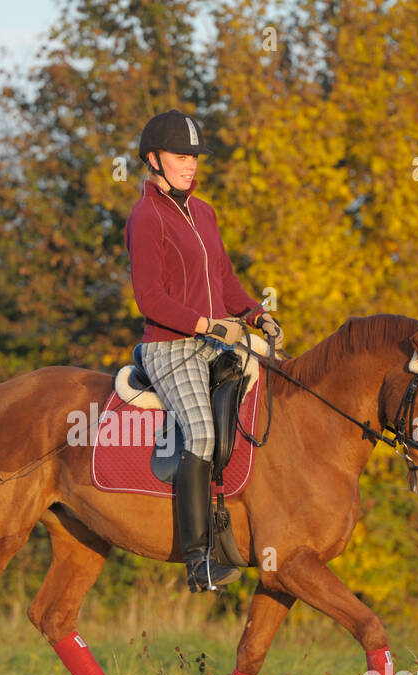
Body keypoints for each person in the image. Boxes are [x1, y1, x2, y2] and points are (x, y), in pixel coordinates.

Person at [125, 109, 284, 593]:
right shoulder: (146, 217)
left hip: (213, 343)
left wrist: (256, 314)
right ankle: (199, 561)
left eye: (194, 158)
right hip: (170, 349)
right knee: (200, 434)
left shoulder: (205, 211)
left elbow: (225, 282)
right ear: (154, 160)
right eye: (180, 157)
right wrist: (208, 324)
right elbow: (150, 300)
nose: (190, 165)